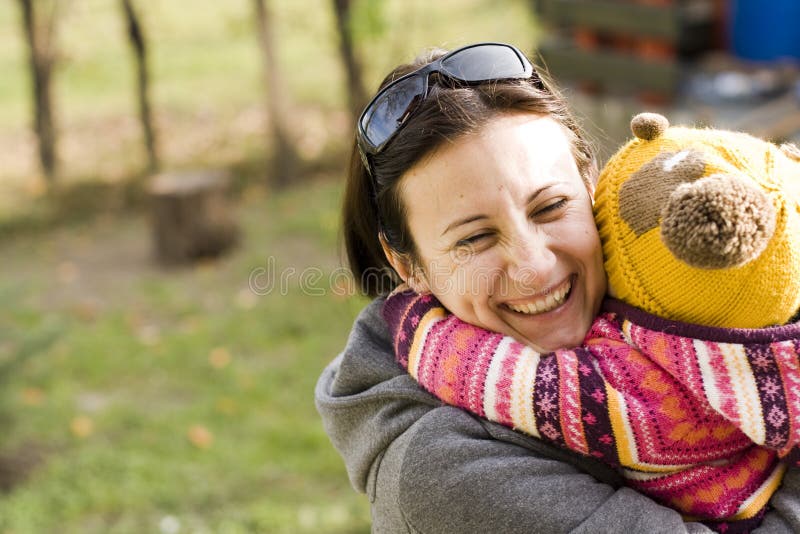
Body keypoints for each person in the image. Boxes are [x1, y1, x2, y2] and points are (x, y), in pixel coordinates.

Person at [315, 42, 800, 533]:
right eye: (476, 238)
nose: (534, 266)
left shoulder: (665, 299)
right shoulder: (445, 473)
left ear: (591, 183)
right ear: (407, 265)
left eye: (549, 208)